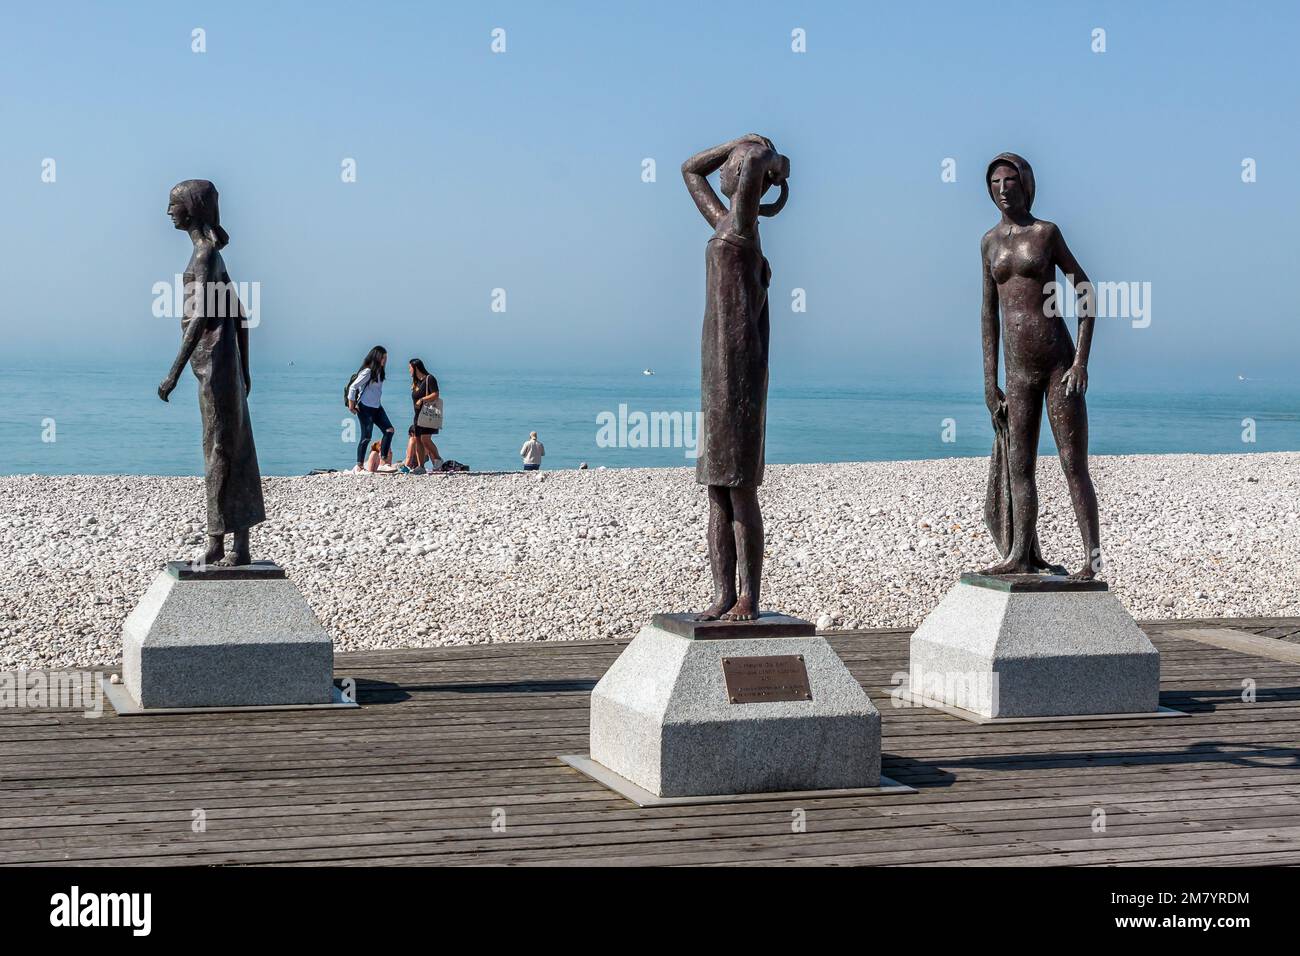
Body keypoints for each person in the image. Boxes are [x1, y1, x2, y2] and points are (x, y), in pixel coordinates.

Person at [682, 133, 789, 621]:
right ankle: (723, 592)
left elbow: (755, 170)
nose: (726, 168)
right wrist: (737, 141)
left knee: (740, 487)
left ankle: (749, 595)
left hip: (740, 374)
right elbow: (689, 170)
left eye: (735, 165)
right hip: (715, 372)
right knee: (717, 489)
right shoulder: (727, 223)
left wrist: (764, 157)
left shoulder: (743, 225)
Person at [980, 152, 1100, 580]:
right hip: (1017, 372)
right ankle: (1020, 554)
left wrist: (1081, 361)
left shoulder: (1046, 234)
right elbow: (988, 315)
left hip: (1056, 363)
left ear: (1025, 183)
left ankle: (1093, 558)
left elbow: (1087, 294)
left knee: (1072, 463)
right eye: (995, 182)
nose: (1002, 188)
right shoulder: (990, 243)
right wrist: (989, 381)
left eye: (1010, 180)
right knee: (1020, 465)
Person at [157, 179, 265, 566]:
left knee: (219, 448)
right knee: (230, 446)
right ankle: (237, 545)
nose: (168, 210)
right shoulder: (212, 254)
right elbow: (241, 315)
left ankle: (220, 542)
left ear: (193, 208)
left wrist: (172, 372)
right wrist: (245, 370)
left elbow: (201, 318)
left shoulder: (204, 256)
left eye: (174, 203)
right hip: (221, 366)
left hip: (214, 364)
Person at [347, 346, 395, 473]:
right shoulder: (368, 372)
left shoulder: (380, 372)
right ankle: (359, 466)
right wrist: (351, 405)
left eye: (386, 358)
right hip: (365, 408)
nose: (385, 360)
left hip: (377, 407)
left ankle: (383, 463)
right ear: (377, 357)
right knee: (366, 437)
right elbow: (353, 387)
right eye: (383, 358)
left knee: (389, 430)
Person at [405, 358, 442, 474]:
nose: (409, 370)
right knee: (418, 440)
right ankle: (421, 466)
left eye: (410, 368)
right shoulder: (416, 382)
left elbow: (436, 394)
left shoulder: (429, 379)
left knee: (425, 439)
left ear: (415, 368)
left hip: (428, 414)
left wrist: (422, 399)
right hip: (418, 415)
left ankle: (438, 459)